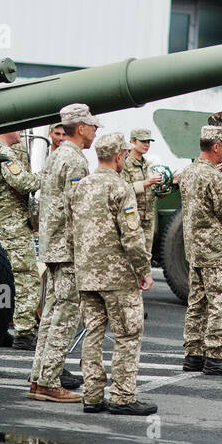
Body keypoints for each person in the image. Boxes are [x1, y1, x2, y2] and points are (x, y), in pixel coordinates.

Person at [71, 132, 156, 416]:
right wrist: (144, 270)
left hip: (86, 274)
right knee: (128, 333)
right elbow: (132, 236)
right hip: (117, 276)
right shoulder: (121, 188)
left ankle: (92, 395)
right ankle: (122, 396)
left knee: (93, 332)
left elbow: (72, 231)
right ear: (119, 156)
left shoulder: (81, 186)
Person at [28, 104, 96, 403]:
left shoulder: (55, 155)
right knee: (65, 317)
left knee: (51, 315)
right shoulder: (75, 161)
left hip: (52, 246)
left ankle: (38, 377)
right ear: (80, 127)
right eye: (92, 126)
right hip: (68, 249)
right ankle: (49, 382)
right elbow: (77, 208)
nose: (95, 131)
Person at [177, 125, 222, 375]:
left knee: (197, 303)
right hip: (216, 251)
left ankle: (193, 354)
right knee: (221, 302)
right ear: (216, 146)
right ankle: (215, 356)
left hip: (195, 250)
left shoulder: (188, 172)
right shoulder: (214, 177)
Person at [0, 133, 41, 353]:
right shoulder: (3, 152)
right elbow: (22, 182)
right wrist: (46, 176)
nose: (21, 133)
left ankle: (0, 327)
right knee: (26, 277)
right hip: (11, 227)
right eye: (19, 129)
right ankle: (24, 333)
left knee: (4, 280)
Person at [119, 128, 164, 259]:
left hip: (148, 219)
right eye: (143, 141)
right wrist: (147, 182)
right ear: (132, 141)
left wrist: (167, 183)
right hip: (132, 218)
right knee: (132, 257)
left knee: (145, 257)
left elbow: (155, 191)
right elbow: (122, 190)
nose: (146, 145)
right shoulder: (125, 164)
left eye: (148, 142)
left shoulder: (148, 165)